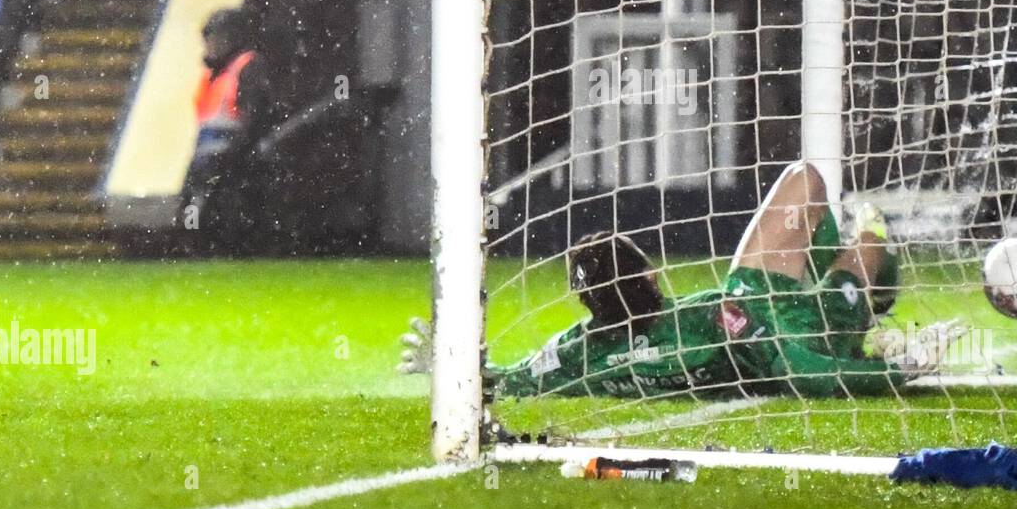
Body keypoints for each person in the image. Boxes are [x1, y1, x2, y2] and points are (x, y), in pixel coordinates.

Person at [399, 161, 964, 399]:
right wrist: (900, 369)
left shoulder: (584, 351)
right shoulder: (719, 321)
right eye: (647, 263)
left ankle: (861, 291)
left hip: (778, 324)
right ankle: (867, 294)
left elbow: (517, 379)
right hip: (793, 321)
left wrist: (449, 371)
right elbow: (808, 377)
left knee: (845, 237)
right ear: (646, 276)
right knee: (844, 217)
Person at [179, 8, 272, 249]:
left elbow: (253, 119)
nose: (209, 45)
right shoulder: (215, 75)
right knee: (200, 221)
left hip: (233, 166)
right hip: (208, 165)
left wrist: (232, 155)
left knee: (229, 227)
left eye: (214, 38)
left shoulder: (246, 68)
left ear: (230, 38)